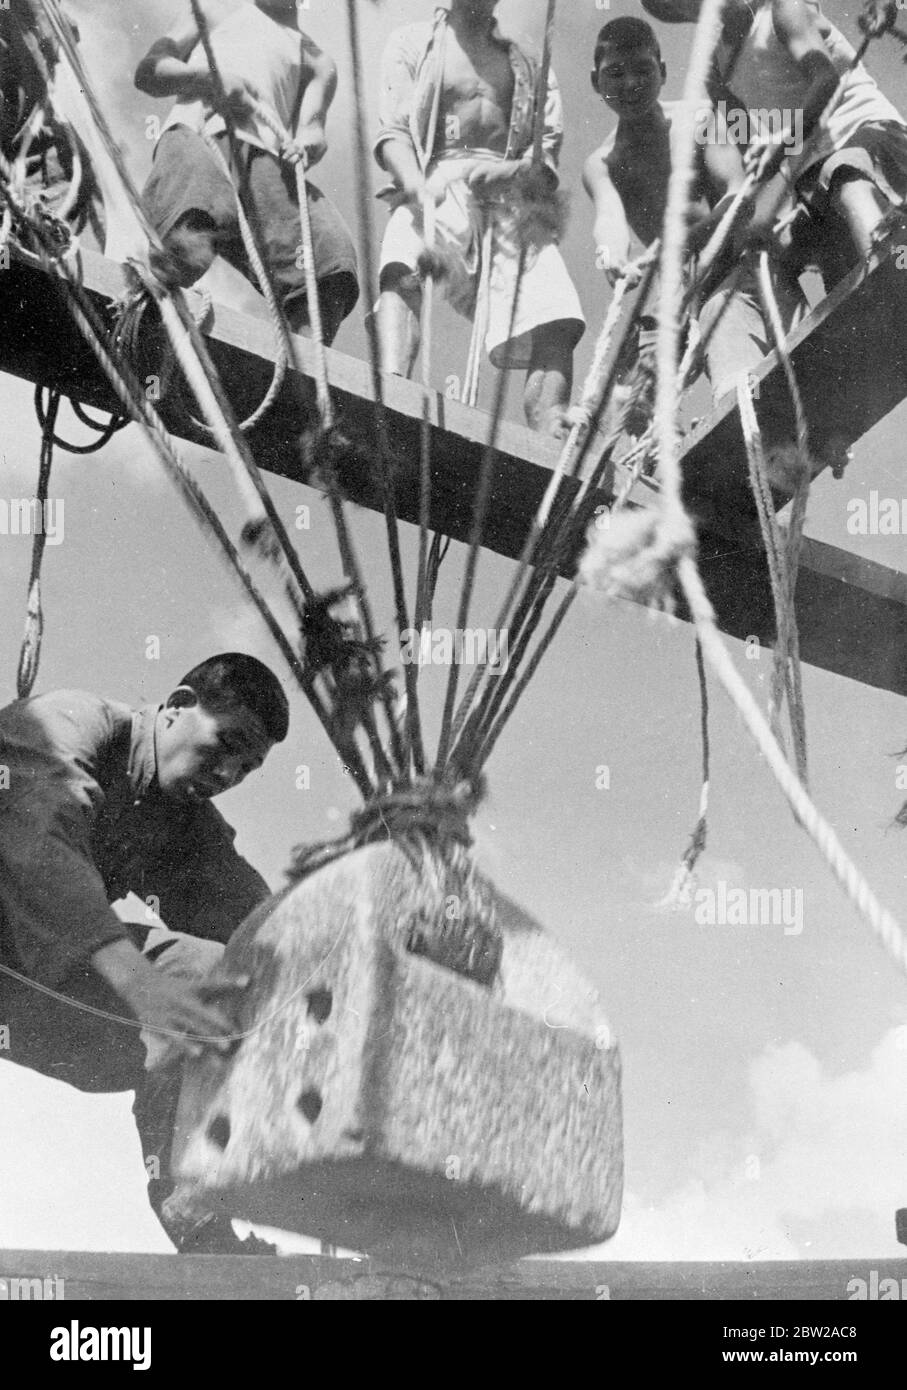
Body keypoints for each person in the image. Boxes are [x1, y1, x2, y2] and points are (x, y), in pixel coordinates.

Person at [0, 653, 289, 1253]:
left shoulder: (181, 817)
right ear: (177, 706)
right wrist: (136, 981)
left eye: (249, 766)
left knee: (220, 985)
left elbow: (258, 928)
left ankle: (193, 1214)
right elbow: (38, 844)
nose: (230, 772)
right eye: (226, 744)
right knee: (178, 985)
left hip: (18, 983)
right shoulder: (69, 723)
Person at [374, 0, 585, 437]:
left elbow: (546, 153)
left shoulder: (527, 59)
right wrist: (416, 185)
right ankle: (391, 387)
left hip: (513, 200)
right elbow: (392, 131)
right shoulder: (413, 42)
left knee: (556, 310)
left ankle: (551, 426)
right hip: (435, 182)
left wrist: (509, 171)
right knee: (402, 258)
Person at [583, 16, 806, 407]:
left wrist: (680, 244)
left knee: (723, 320)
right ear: (595, 82)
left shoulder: (701, 118)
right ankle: (651, 450)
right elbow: (609, 219)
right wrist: (611, 255)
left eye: (642, 69)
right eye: (614, 73)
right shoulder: (603, 162)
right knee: (631, 378)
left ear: (663, 72)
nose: (630, 84)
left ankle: (745, 407)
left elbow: (737, 198)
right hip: (675, 283)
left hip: (733, 258)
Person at [640, 0, 907, 289]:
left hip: (870, 137)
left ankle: (894, 274)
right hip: (812, 179)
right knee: (798, 244)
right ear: (683, 14)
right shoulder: (715, 71)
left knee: (844, 176)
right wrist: (718, 231)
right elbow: (756, 162)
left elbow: (826, 80)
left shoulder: (781, 9)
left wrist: (782, 142)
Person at [135, 0, 358, 343]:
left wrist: (308, 144)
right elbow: (150, 72)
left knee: (328, 256)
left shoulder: (317, 62)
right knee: (199, 207)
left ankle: (307, 374)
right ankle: (148, 320)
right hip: (201, 137)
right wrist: (211, 79)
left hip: (266, 164)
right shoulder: (212, 9)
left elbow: (312, 128)